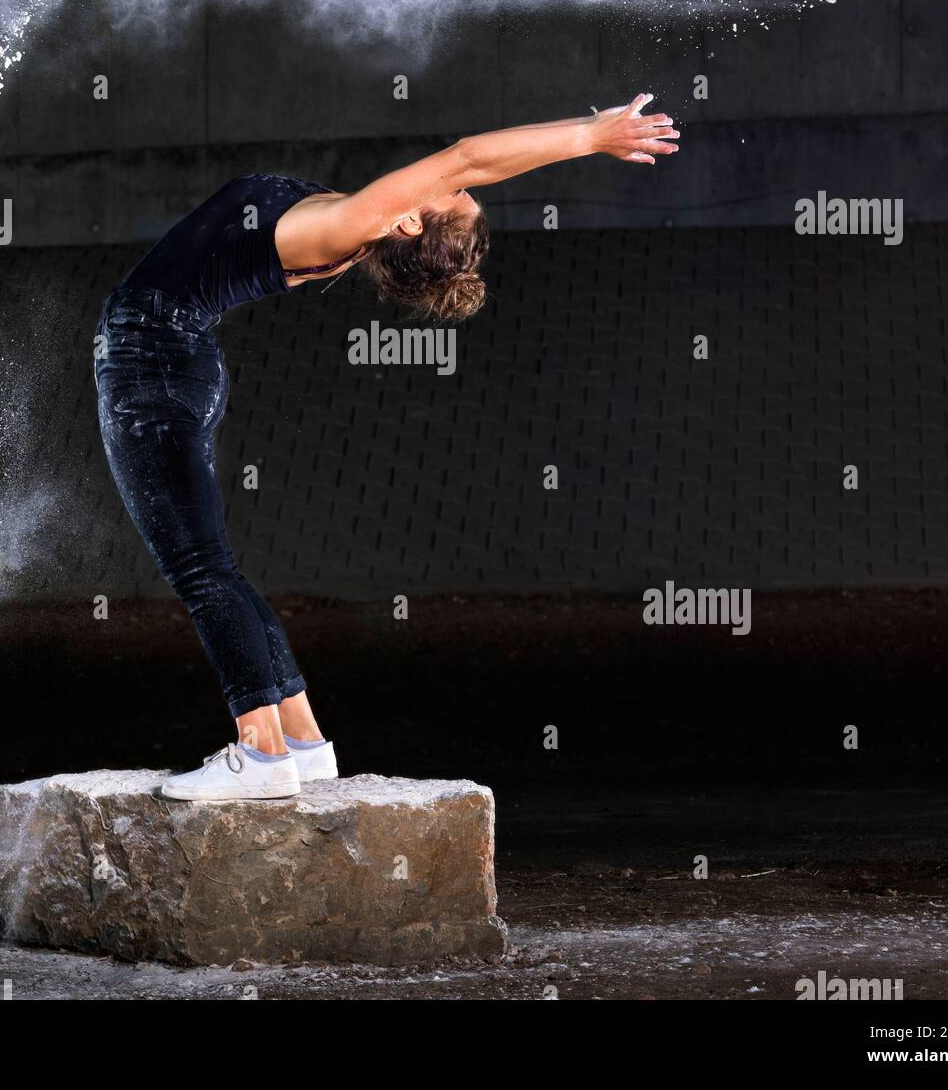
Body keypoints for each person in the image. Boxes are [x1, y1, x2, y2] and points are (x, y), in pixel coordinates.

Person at [94, 95, 679, 799]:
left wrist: (593, 135)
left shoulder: (353, 221)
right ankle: (303, 739)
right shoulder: (357, 226)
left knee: (198, 570)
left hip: (148, 364)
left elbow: (469, 155)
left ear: (406, 219)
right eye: (461, 194)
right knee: (215, 566)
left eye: (450, 198)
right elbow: (468, 170)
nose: (451, 182)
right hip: (180, 361)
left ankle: (261, 750)